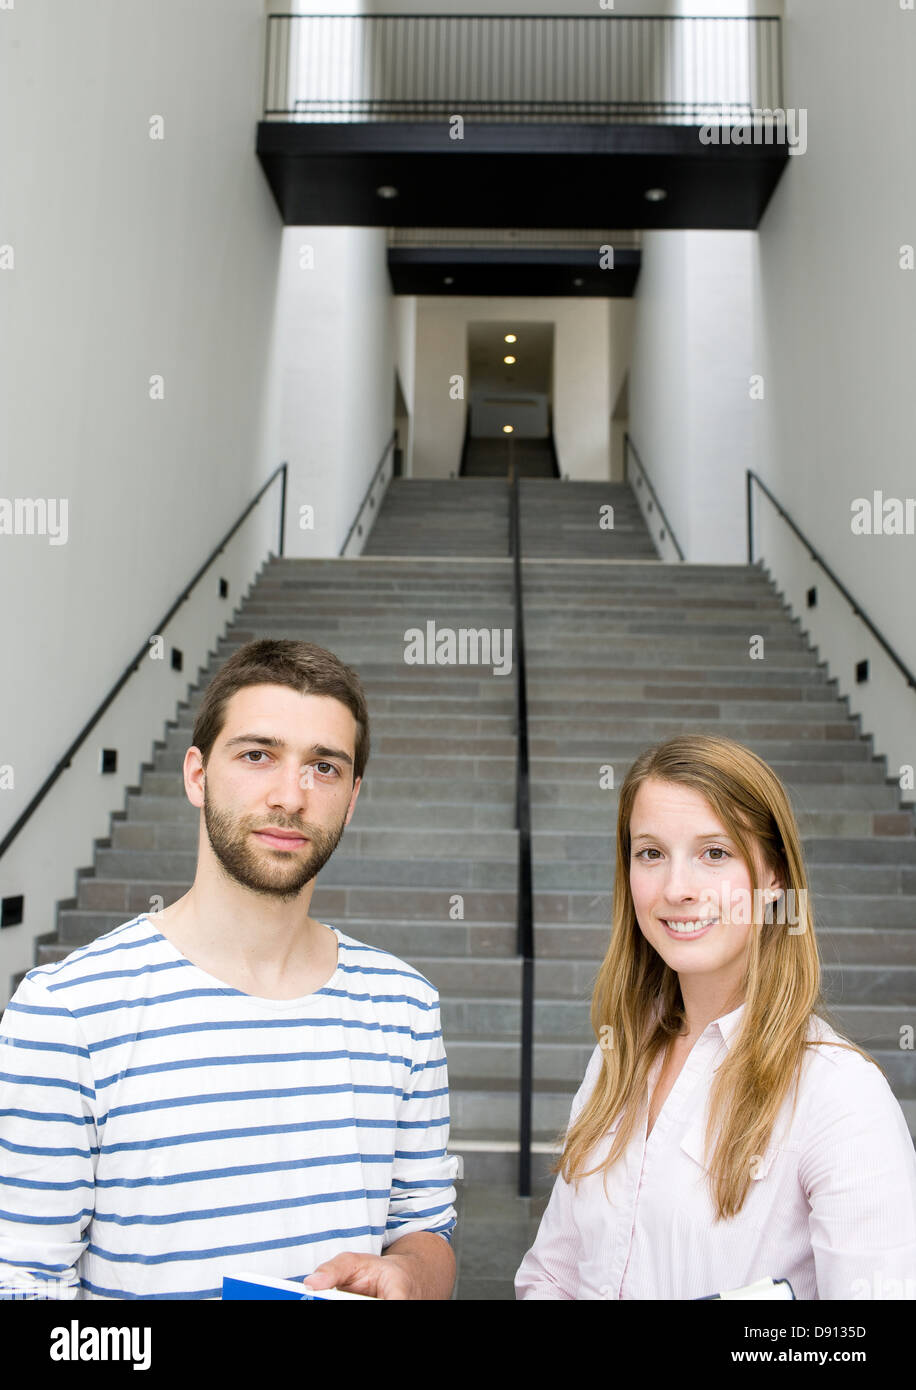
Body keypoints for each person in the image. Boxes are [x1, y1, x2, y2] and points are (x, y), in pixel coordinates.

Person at [0, 639, 458, 1300]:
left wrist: (411, 1274)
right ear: (197, 775)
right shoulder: (65, 1013)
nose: (290, 796)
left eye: (324, 768)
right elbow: (23, 1288)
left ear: (352, 797)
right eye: (256, 755)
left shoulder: (405, 1008)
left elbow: (427, 1228)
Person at [515, 733, 916, 1301]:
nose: (677, 890)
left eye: (715, 853)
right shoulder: (617, 1057)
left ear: (774, 876)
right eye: (651, 853)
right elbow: (551, 1276)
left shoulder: (841, 1096)